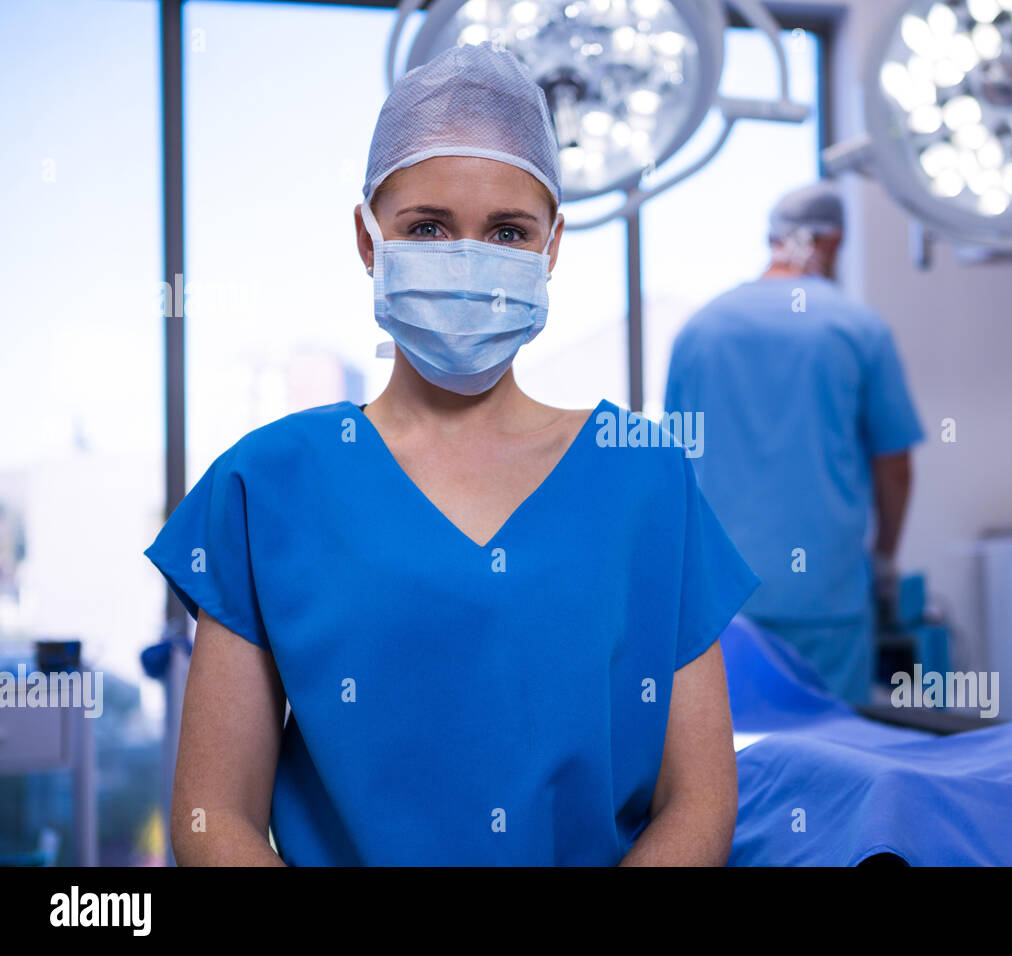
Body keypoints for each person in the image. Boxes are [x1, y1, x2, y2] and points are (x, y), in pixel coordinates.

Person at [145, 43, 758, 866]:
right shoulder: (269, 483)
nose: (470, 260)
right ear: (368, 240)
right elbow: (214, 817)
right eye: (427, 227)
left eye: (507, 231)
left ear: (552, 248)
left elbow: (701, 802)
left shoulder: (643, 476)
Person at [662, 180, 923, 709]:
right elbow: (894, 467)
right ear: (833, 241)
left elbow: (673, 466)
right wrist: (884, 561)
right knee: (831, 759)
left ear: (772, 239)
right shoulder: (856, 327)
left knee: (731, 764)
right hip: (825, 598)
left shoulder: (702, 329)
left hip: (722, 600)